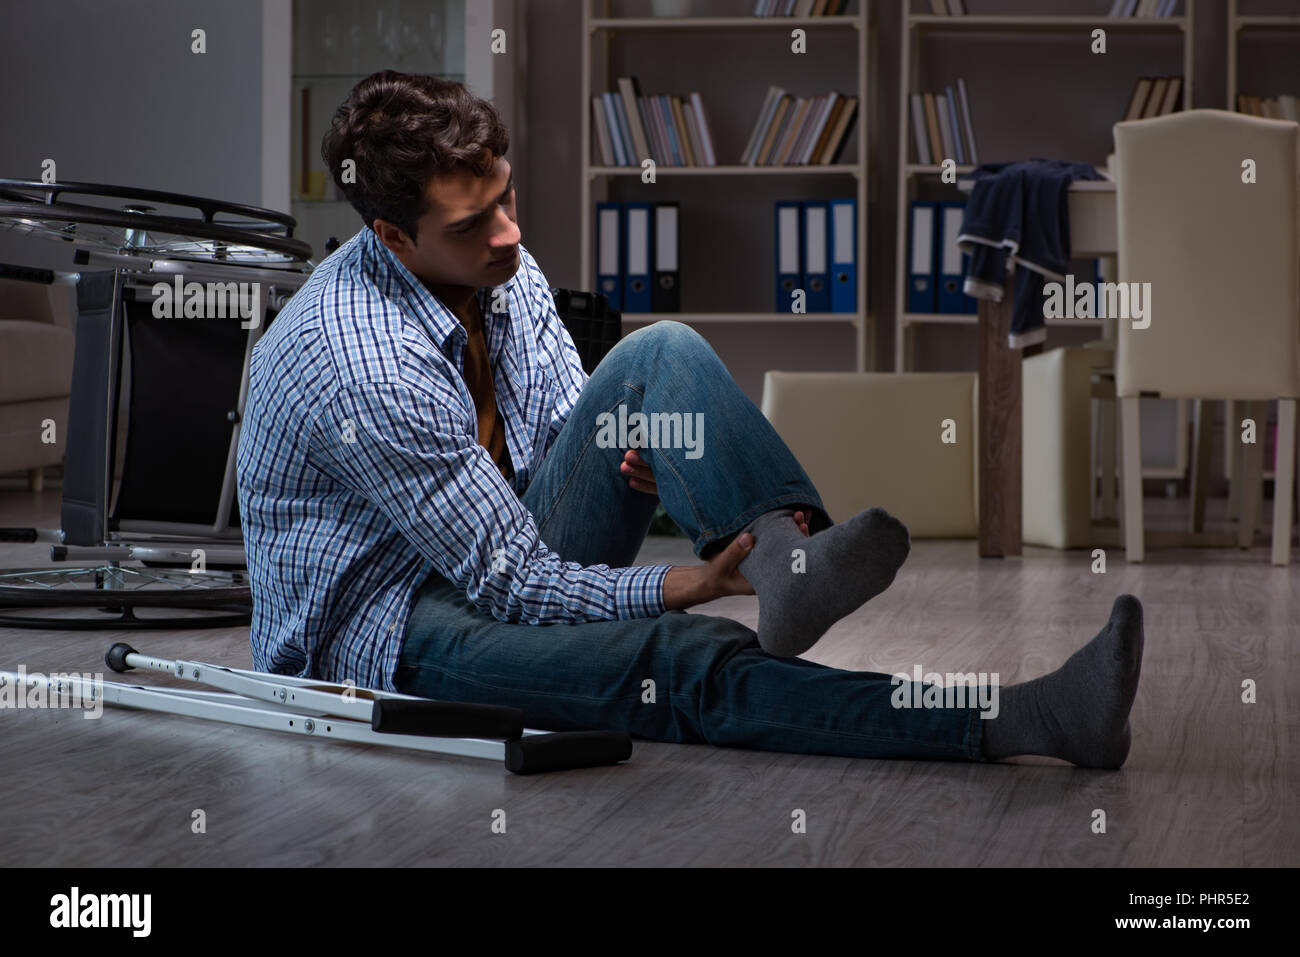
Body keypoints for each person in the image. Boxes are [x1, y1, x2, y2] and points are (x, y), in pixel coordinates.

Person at [235, 71, 1144, 770]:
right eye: (474, 223)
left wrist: (653, 461)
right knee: (673, 655)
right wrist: (677, 585)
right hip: (390, 633)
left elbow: (564, 440)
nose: (509, 233)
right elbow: (510, 580)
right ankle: (1022, 717)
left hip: (498, 547)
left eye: (505, 198)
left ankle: (788, 561)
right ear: (393, 238)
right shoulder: (359, 360)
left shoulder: (497, 268)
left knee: (657, 353)